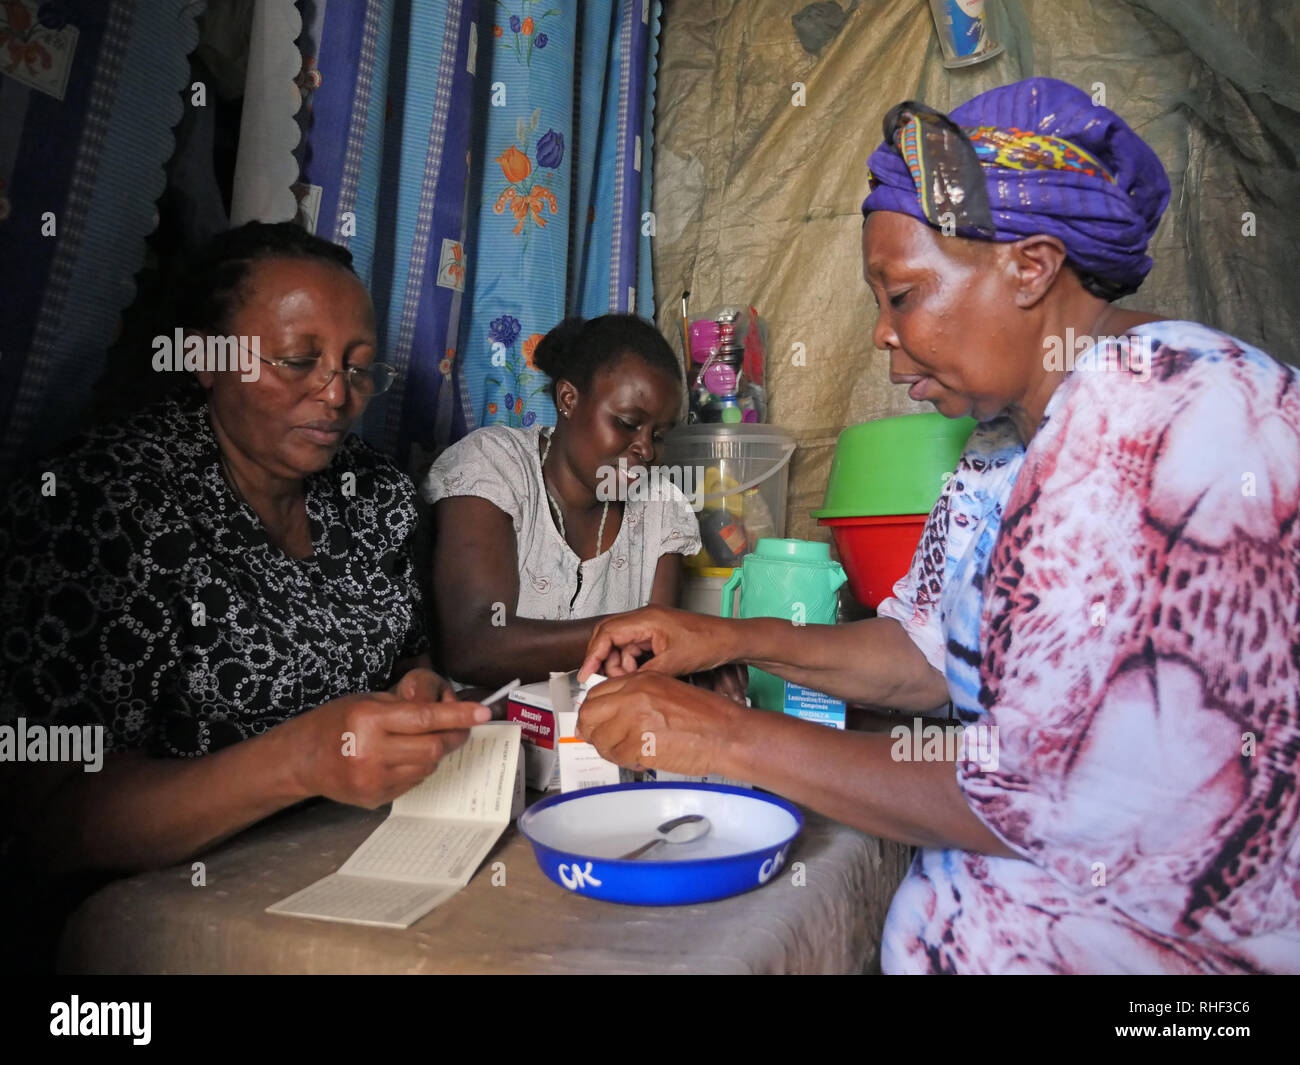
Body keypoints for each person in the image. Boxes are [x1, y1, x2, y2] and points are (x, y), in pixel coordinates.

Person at [573, 78, 1300, 974]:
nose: (881, 334)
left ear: (1029, 267)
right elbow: (926, 654)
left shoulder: (1180, 420)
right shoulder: (1005, 443)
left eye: (902, 293)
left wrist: (718, 736)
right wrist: (722, 637)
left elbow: (1046, 791)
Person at [0, 221, 487, 887]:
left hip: (356, 857)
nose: (337, 394)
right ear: (203, 357)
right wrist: (302, 759)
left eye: (357, 365)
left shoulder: (375, 494)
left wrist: (417, 691)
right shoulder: (99, 505)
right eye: (297, 361)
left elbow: (405, 653)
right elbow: (46, 819)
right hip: (153, 906)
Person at [423, 314, 702, 688]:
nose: (647, 449)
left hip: (600, 738)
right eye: (626, 422)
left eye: (660, 435)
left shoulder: (661, 508)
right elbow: (473, 646)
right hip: (489, 737)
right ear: (568, 399)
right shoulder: (494, 467)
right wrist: (624, 632)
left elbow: (657, 659)